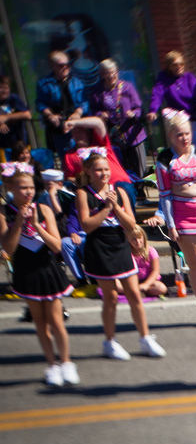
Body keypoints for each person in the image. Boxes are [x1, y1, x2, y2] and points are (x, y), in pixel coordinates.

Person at [76, 152, 166, 359]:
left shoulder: (119, 191)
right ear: (88, 171)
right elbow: (87, 225)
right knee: (111, 298)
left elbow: (131, 224)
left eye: (106, 169)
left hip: (120, 245)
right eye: (98, 169)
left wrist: (115, 206)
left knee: (134, 294)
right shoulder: (83, 193)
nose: (104, 173)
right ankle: (109, 342)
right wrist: (106, 208)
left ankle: (145, 339)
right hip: (99, 247)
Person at [1, 163, 74, 386]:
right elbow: (8, 249)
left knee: (56, 320)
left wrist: (36, 225)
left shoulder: (44, 210)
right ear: (10, 188)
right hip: (26, 271)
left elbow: (56, 247)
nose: (29, 192)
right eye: (23, 188)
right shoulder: (4, 213)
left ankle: (67, 363)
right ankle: (51, 365)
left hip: (48, 269)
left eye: (31, 187)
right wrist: (20, 223)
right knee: (40, 322)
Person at [149, 111, 196, 329]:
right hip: (183, 218)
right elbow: (165, 196)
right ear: (171, 136)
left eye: (187, 134)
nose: (184, 138)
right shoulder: (164, 160)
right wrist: (170, 224)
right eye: (179, 134)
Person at [61, 116, 138, 210]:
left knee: (124, 189)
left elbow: (98, 123)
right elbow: (68, 178)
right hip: (93, 189)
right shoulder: (69, 155)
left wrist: (74, 123)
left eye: (80, 131)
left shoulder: (100, 144)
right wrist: (86, 181)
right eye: (74, 132)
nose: (77, 135)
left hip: (119, 183)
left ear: (87, 132)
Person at [90, 59, 146, 179]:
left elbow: (139, 108)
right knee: (123, 169)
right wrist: (100, 114)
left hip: (133, 135)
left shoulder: (127, 87)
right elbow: (93, 110)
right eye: (107, 73)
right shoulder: (97, 91)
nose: (111, 75)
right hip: (115, 137)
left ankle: (141, 193)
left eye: (113, 72)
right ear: (102, 74)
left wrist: (134, 113)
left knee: (140, 169)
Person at [147, 51, 196, 148]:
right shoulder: (163, 78)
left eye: (181, 64)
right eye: (175, 65)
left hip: (193, 119)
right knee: (181, 147)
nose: (179, 66)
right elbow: (157, 95)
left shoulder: (189, 78)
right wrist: (153, 110)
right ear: (169, 67)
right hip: (178, 121)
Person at [36, 51, 87, 155]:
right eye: (61, 65)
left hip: (77, 123)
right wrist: (50, 115)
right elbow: (41, 104)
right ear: (52, 66)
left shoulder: (77, 82)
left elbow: (84, 102)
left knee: (82, 153)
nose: (65, 67)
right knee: (65, 155)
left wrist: (78, 113)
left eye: (67, 64)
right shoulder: (44, 83)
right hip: (58, 125)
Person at [121, 224, 166, 297]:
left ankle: (135, 292)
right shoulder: (126, 252)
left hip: (148, 280)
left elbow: (156, 271)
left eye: (139, 238)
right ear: (128, 240)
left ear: (144, 237)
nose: (137, 241)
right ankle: (137, 291)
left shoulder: (151, 251)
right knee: (115, 283)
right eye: (133, 239)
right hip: (132, 281)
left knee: (161, 288)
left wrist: (146, 284)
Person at [0, 75, 32, 150]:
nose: (4, 91)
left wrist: (6, 118)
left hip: (19, 143)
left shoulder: (14, 99)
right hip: (2, 146)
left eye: (6, 88)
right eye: (1, 88)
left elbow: (27, 115)